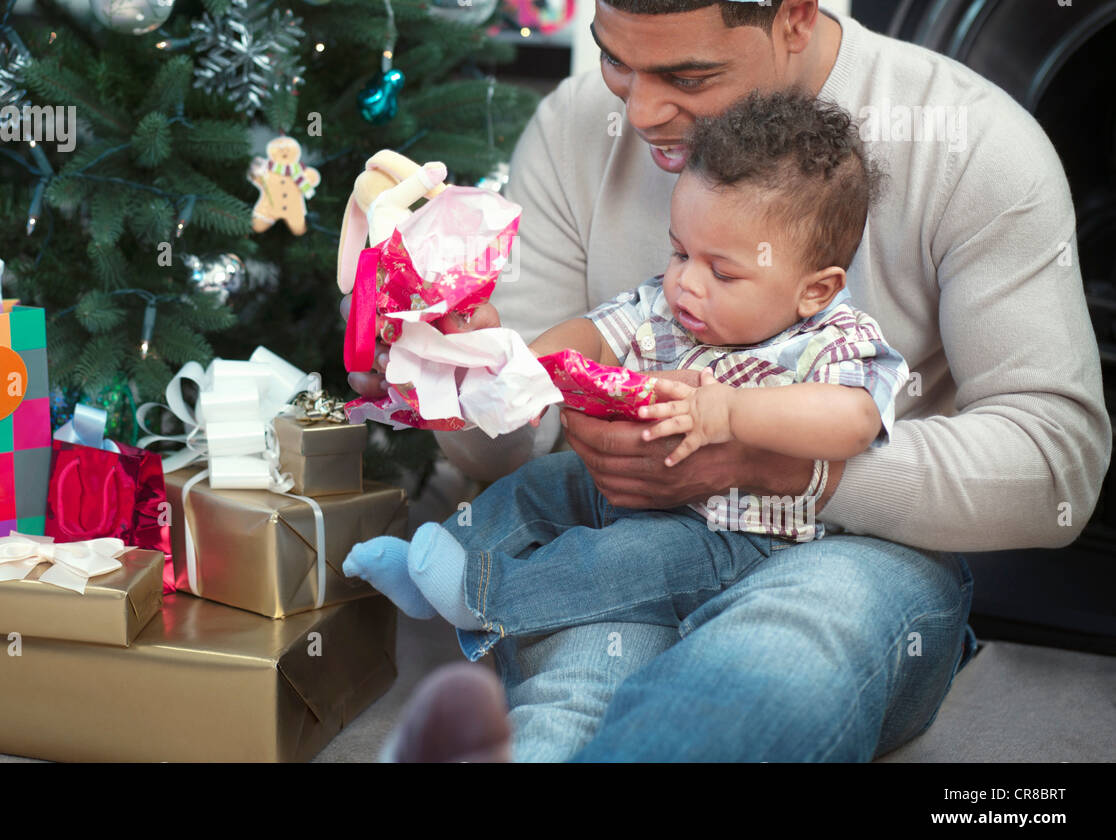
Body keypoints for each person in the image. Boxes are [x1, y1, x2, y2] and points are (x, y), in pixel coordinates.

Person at [349, 0, 1111, 762]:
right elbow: (508, 449)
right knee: (574, 682)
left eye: (688, 76)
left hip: (844, 551)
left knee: (765, 669)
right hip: (616, 526)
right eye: (617, 62)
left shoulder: (974, 146)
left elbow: (1057, 470)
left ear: (795, 16)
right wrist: (465, 367)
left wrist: (780, 465)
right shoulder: (572, 129)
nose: (640, 114)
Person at [346, 90, 913, 647]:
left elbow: (854, 419)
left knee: (614, 560)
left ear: (816, 290)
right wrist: (523, 365)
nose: (687, 281)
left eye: (724, 272)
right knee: (535, 486)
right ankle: (439, 564)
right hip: (623, 487)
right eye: (681, 253)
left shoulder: (832, 338)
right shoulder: (666, 307)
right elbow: (592, 335)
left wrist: (732, 413)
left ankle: (483, 598)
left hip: (730, 535)